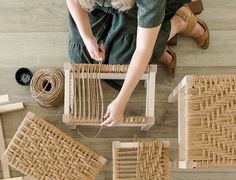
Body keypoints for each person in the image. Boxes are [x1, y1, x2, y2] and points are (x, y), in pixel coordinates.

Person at [66, 0, 209, 127]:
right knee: (79, 56)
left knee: (122, 69)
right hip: (100, 5)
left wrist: (121, 101)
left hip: (135, 5)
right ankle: (157, 42)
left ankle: (179, 23)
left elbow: (143, 49)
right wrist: (88, 38)